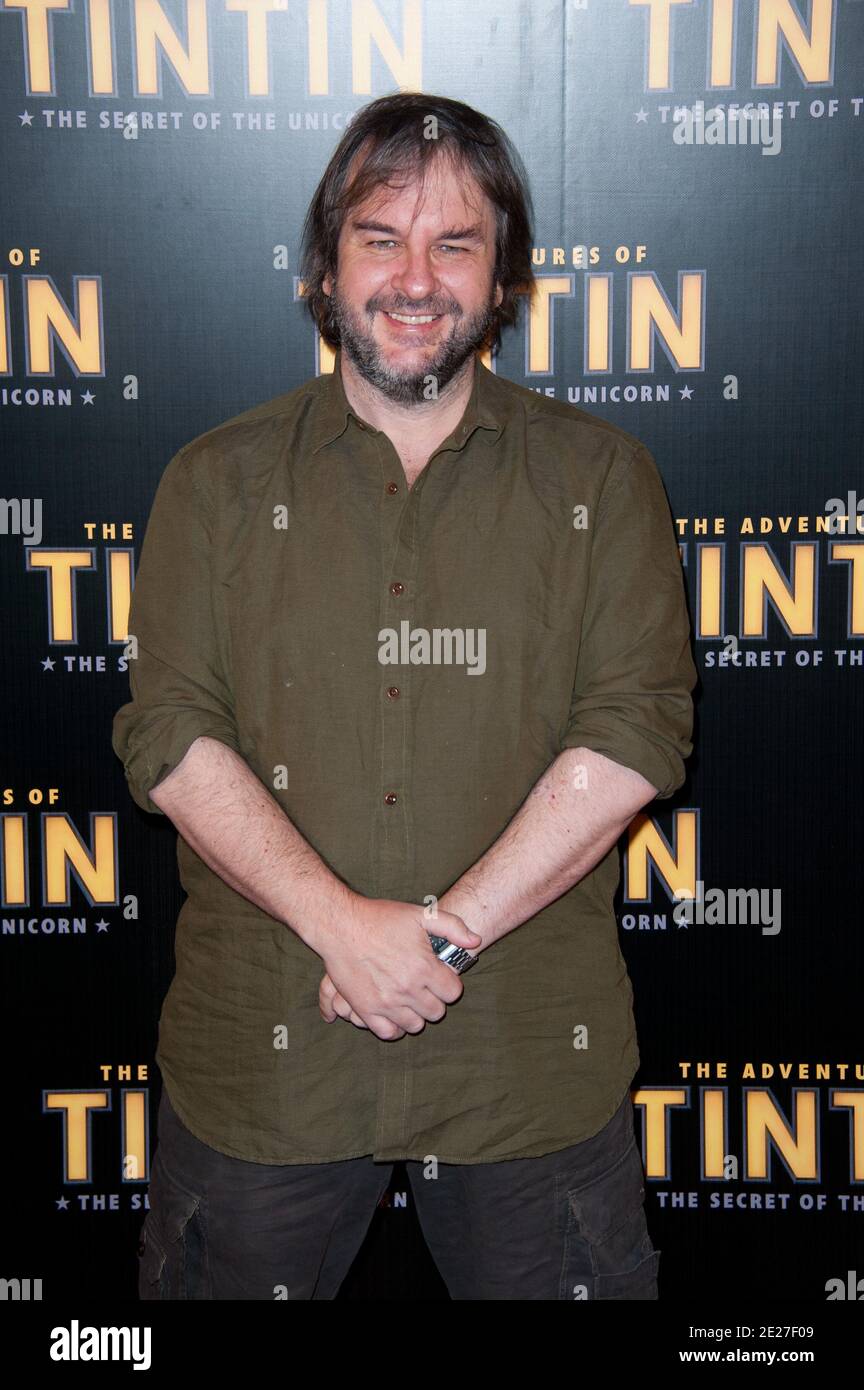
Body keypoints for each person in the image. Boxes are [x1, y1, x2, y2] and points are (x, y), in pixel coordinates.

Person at [112, 90, 697, 1301]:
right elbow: (170, 734)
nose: (416, 277)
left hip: (523, 1063)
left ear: (504, 277)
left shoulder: (605, 480)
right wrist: (342, 927)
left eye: (456, 243)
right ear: (324, 269)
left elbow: (635, 731)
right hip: (268, 1061)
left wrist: (432, 938)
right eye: (380, 239)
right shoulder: (211, 484)